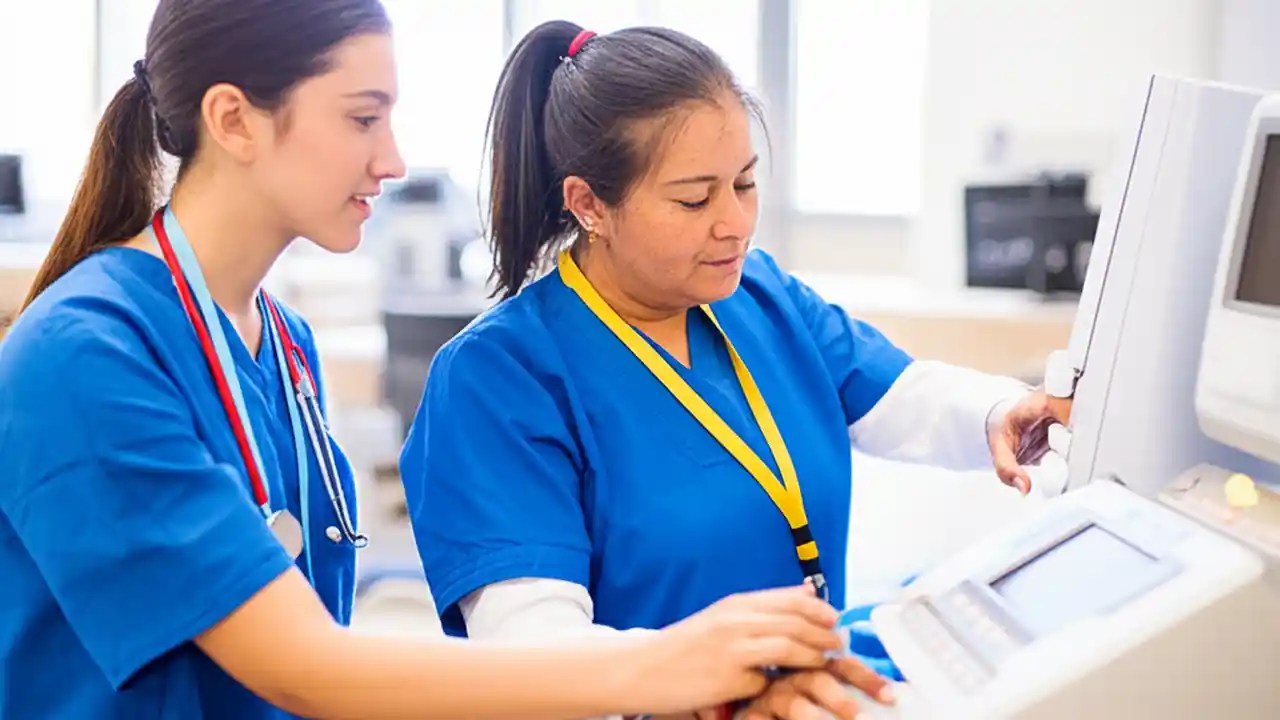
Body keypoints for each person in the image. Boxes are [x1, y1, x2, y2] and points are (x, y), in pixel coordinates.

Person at [0, 3, 853, 718]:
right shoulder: (87, 355)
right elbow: (302, 664)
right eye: (363, 117)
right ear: (234, 120)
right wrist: (661, 666)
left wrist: (701, 686)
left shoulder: (284, 347)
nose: (393, 159)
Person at [398, 20, 1070, 720]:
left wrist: (1002, 411)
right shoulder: (498, 379)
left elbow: (896, 393)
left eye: (744, 184)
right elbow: (534, 653)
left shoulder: (758, 298)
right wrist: (708, 688)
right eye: (694, 199)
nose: (734, 223)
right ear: (589, 204)